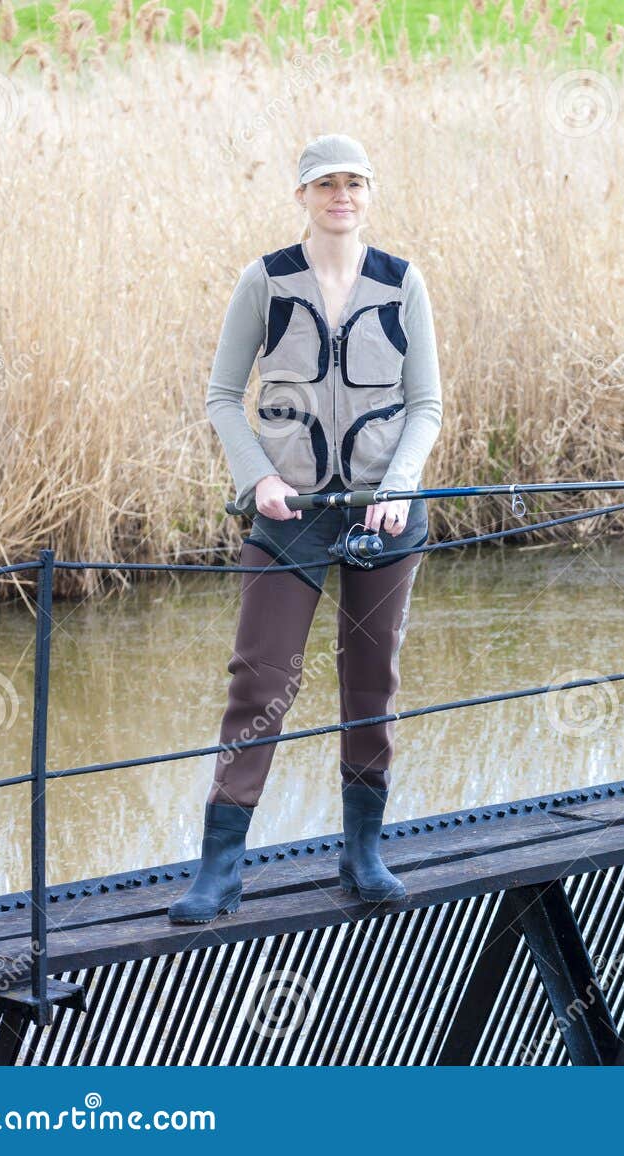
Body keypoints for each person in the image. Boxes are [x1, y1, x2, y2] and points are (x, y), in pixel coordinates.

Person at [168, 134, 444, 924]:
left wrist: (397, 486)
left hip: (383, 517)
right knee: (260, 681)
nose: (341, 196)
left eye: (355, 182)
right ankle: (219, 868)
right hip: (289, 520)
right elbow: (224, 396)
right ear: (302, 196)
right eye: (326, 184)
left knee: (371, 685)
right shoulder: (264, 280)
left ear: (369, 193)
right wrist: (258, 478)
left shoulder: (402, 282)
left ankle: (363, 854)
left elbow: (426, 406)